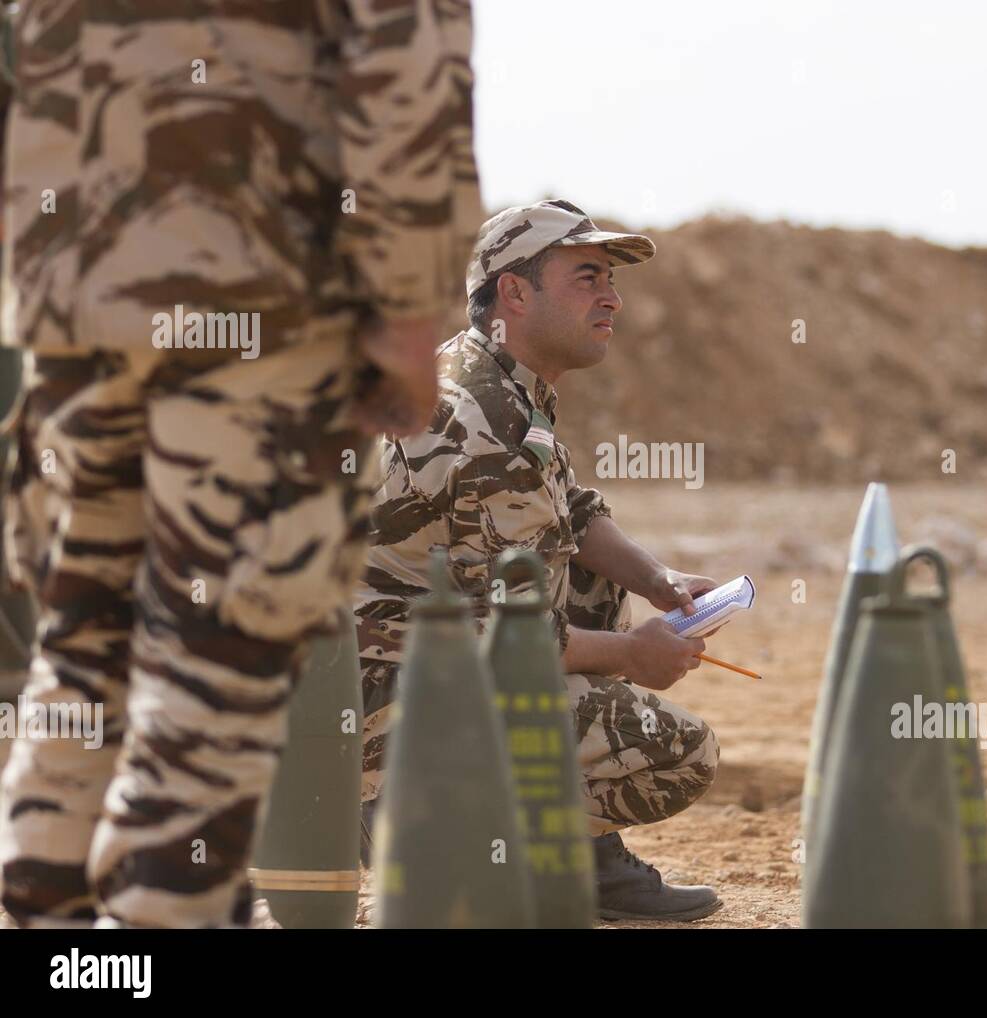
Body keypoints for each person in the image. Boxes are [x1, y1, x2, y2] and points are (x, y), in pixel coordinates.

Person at [0, 0, 480, 928]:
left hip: (75, 308)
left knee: (84, 651)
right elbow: (403, 55)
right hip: (258, 306)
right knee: (217, 667)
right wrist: (408, 306)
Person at [354, 199, 723, 921]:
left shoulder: (497, 384)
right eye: (587, 277)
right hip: (384, 700)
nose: (612, 296)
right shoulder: (478, 421)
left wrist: (658, 582)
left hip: (403, 663)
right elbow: (506, 634)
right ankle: (398, 815)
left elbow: (570, 513)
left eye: (610, 280)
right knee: (681, 751)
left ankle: (586, 861)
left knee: (583, 566)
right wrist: (631, 654)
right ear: (514, 293)